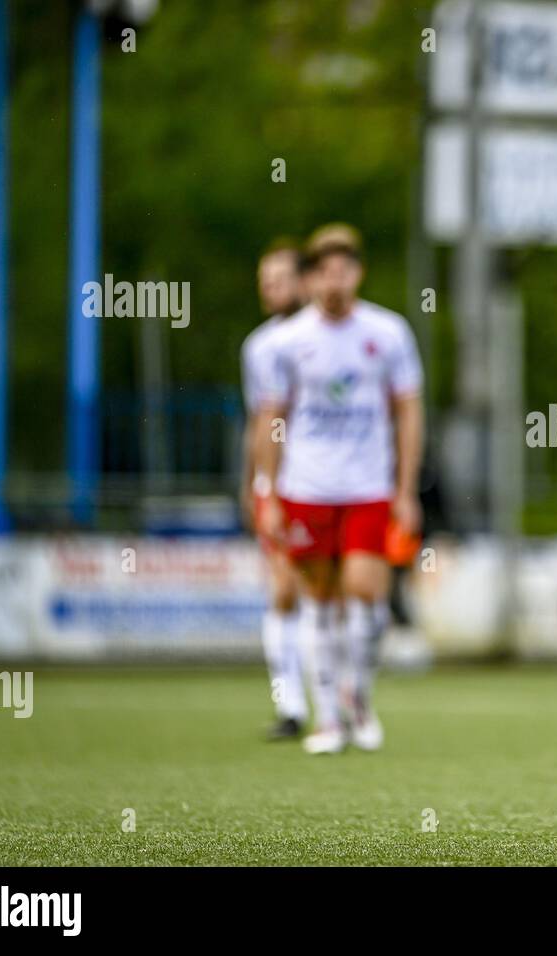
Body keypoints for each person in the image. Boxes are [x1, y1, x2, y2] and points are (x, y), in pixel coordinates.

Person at [255, 224, 424, 755]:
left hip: (368, 486)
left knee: (366, 594)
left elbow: (408, 411)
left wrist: (406, 487)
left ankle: (359, 697)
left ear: (358, 273)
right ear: (312, 278)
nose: (335, 281)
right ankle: (327, 718)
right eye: (324, 272)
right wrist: (269, 489)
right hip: (306, 487)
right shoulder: (286, 344)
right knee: (319, 600)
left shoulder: (389, 333)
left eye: (343, 270)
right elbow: (270, 419)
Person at [241, 241, 310, 740]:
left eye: (280, 278)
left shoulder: (337, 337)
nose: (270, 288)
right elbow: (260, 421)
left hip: (337, 484)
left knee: (343, 594)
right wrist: (256, 482)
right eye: (265, 280)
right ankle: (291, 706)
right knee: (284, 589)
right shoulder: (259, 347)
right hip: (283, 485)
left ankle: (342, 698)